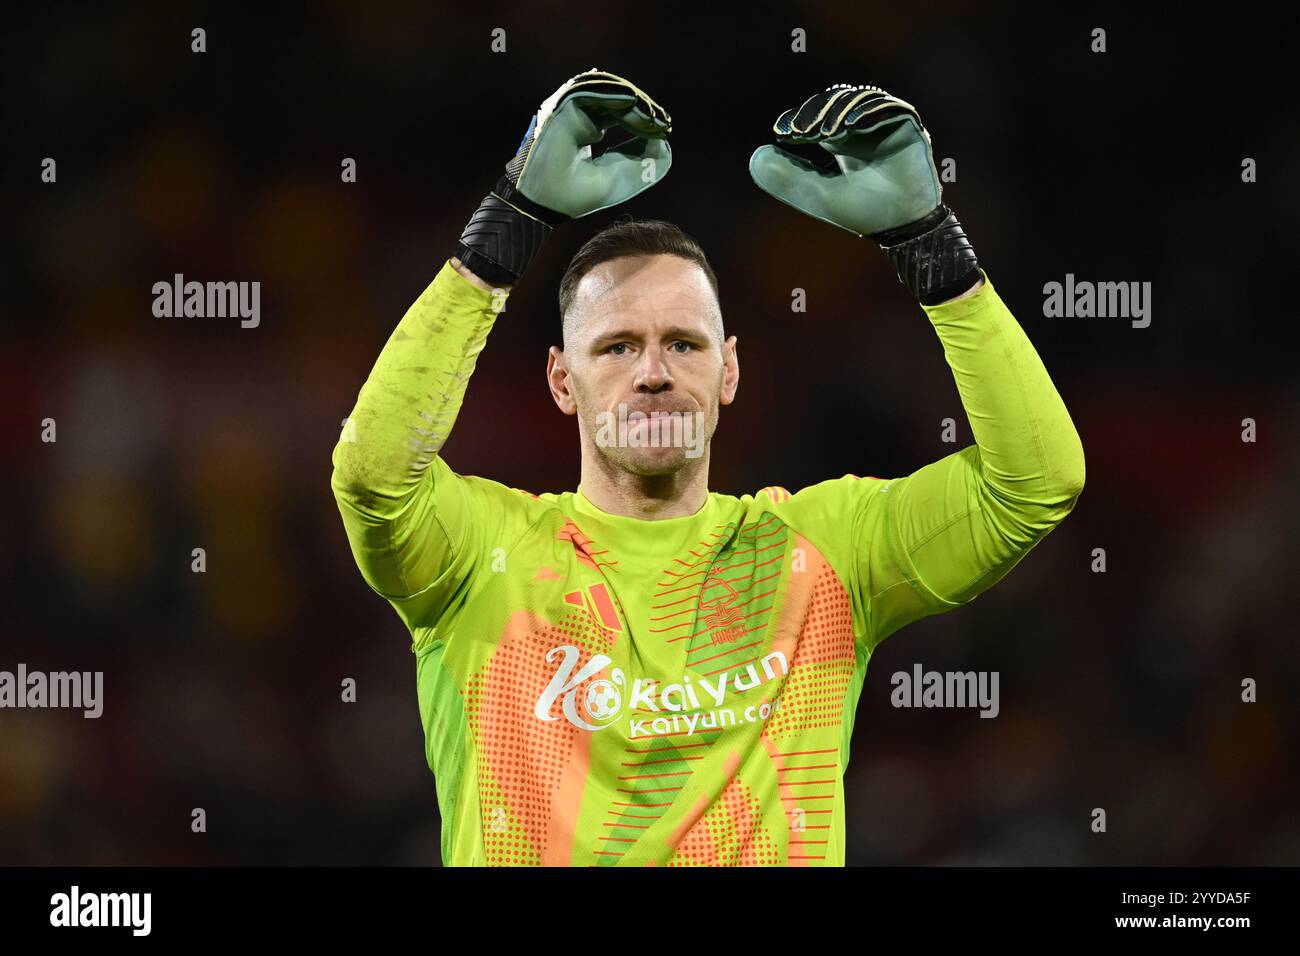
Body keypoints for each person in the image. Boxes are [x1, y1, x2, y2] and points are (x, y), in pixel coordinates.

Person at [330, 70, 1085, 866]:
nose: (653, 372)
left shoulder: (824, 553)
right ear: (562, 381)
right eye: (617, 347)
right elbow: (372, 474)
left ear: (728, 372)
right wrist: (505, 230)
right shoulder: (480, 557)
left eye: (682, 344)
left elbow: (1036, 482)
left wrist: (934, 249)